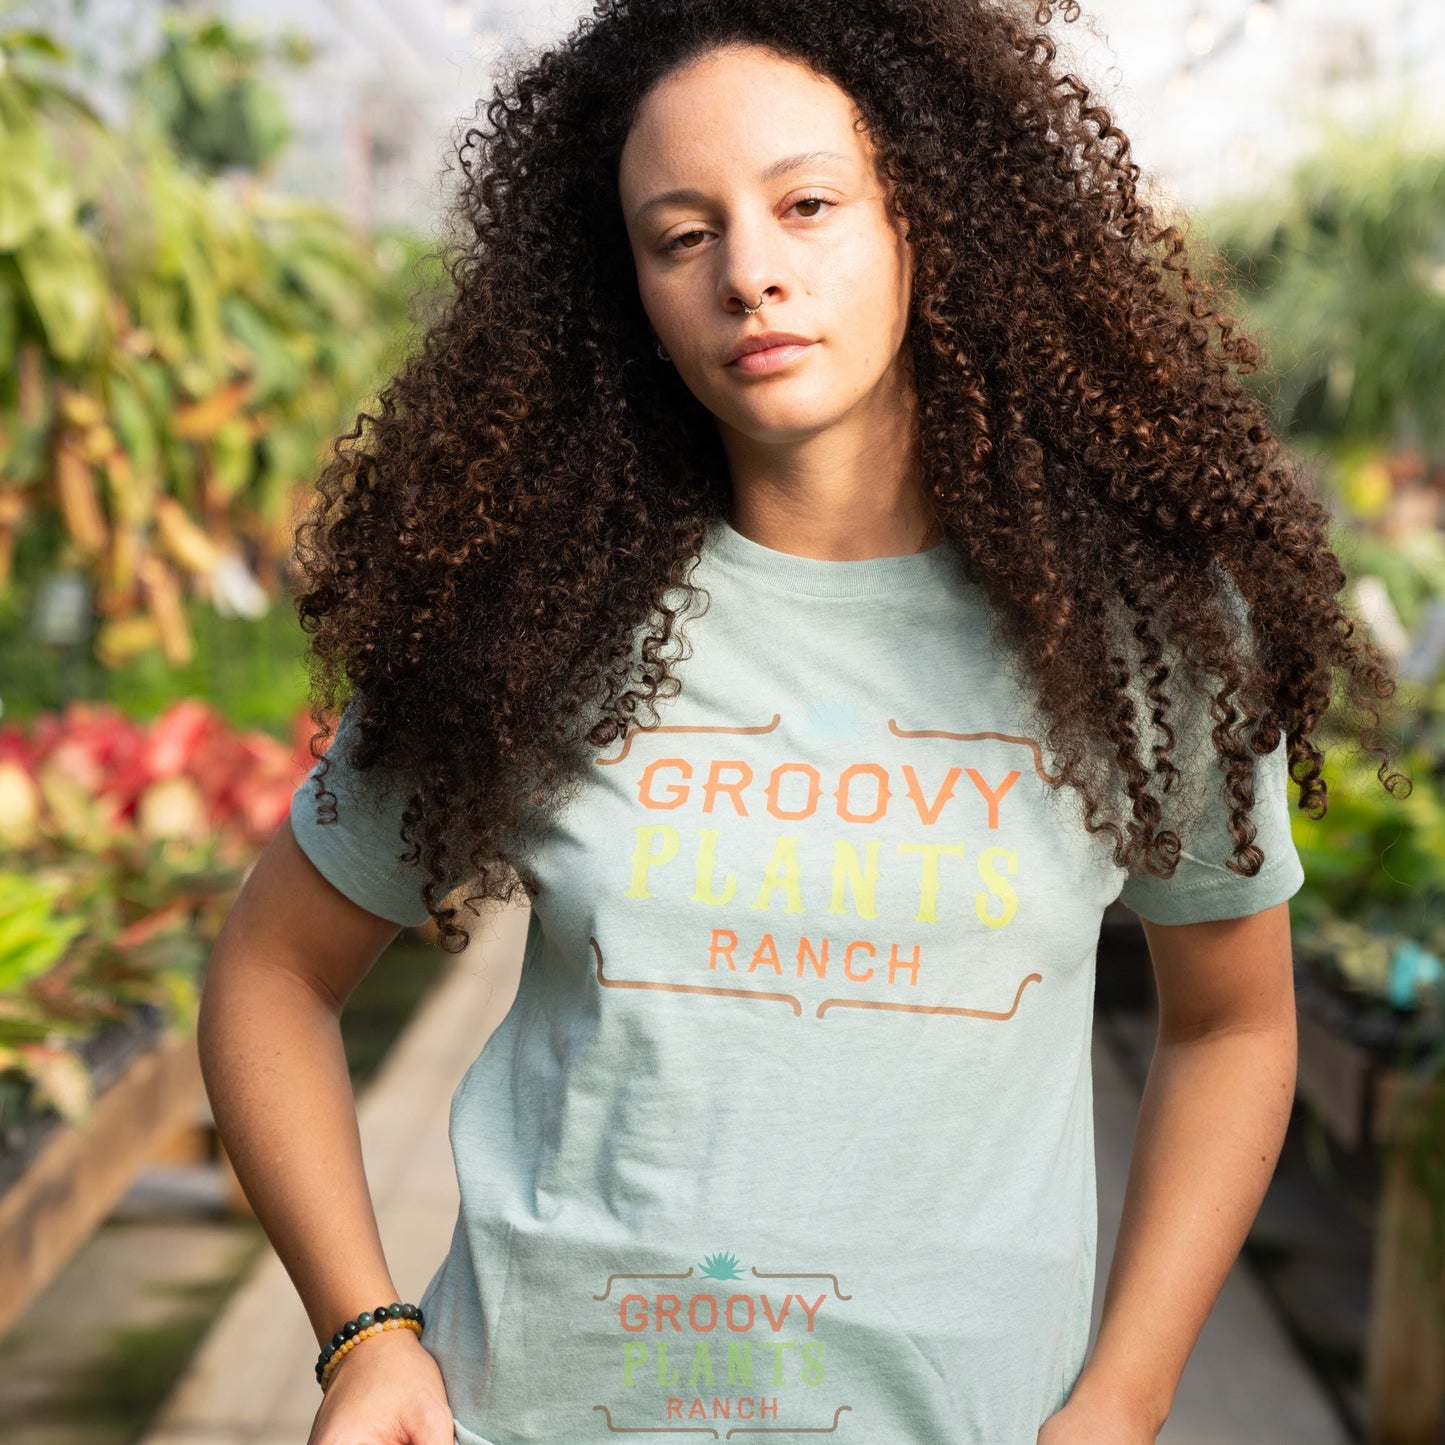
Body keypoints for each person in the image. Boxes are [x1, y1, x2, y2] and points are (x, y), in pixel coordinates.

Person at [197, 2, 1407, 1442]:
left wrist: (1125, 1397)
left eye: (808, 204)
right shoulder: (530, 615)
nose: (750, 274)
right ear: (628, 288)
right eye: (681, 234)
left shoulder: (1135, 635)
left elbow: (1230, 1025)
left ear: (927, 216)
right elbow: (271, 972)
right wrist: (363, 1337)